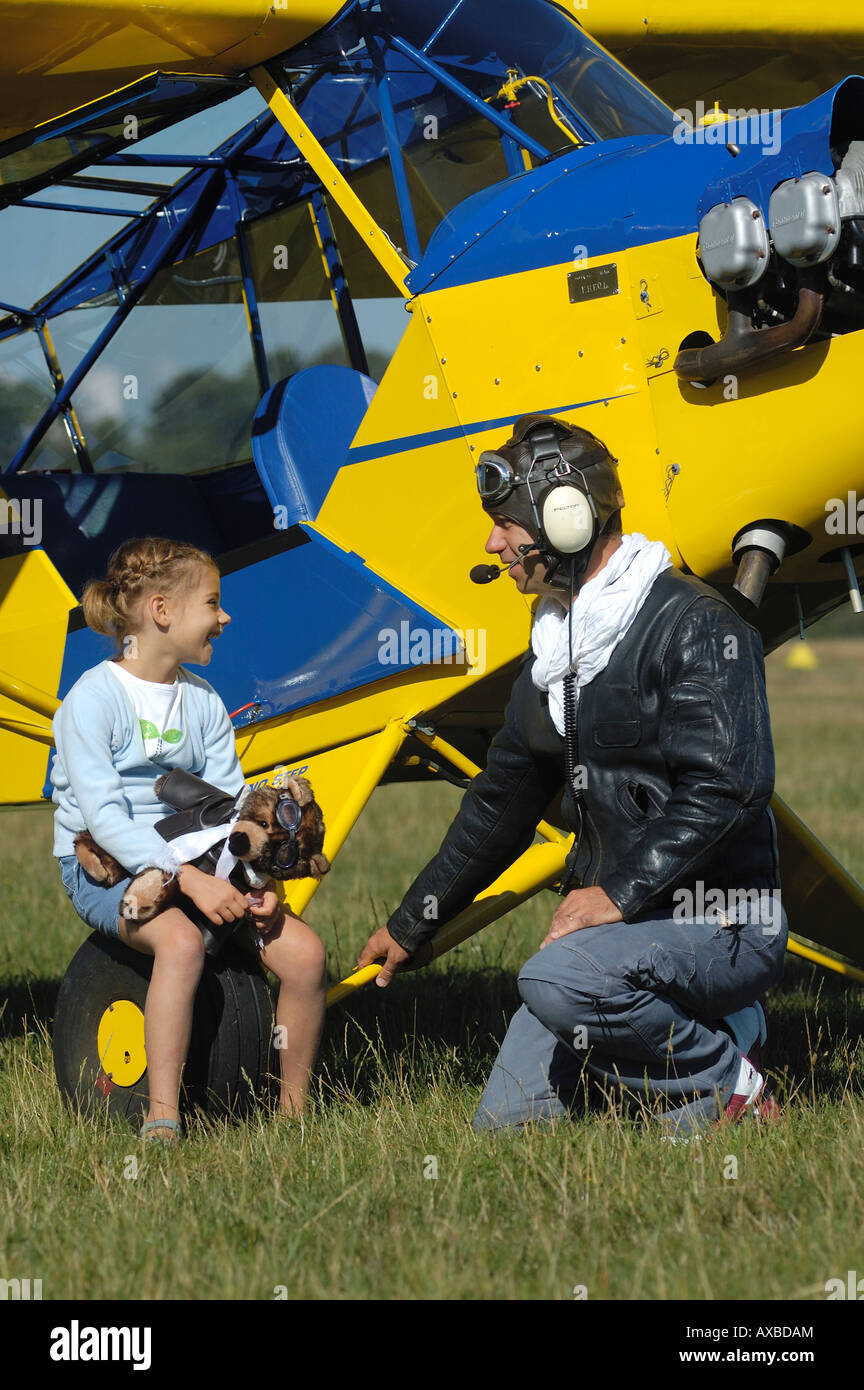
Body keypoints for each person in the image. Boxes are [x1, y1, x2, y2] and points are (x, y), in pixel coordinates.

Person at [357, 414, 787, 1137]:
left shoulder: (696, 622)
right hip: (625, 930)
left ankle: (725, 1081)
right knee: (504, 1131)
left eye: (505, 525)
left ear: (566, 519)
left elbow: (730, 789)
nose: (494, 543)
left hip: (721, 920)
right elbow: (499, 807)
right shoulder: (557, 647)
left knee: (554, 978)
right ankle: (706, 1028)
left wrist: (616, 894)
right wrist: (411, 925)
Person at [52, 537, 326, 1140]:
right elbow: (103, 820)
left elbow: (231, 814)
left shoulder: (202, 703)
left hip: (202, 867)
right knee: (180, 943)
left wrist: (259, 882)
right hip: (108, 867)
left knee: (305, 956)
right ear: (161, 611)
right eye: (212, 602)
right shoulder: (91, 701)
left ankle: (294, 1116)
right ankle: (163, 1114)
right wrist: (189, 881)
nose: (224, 617)